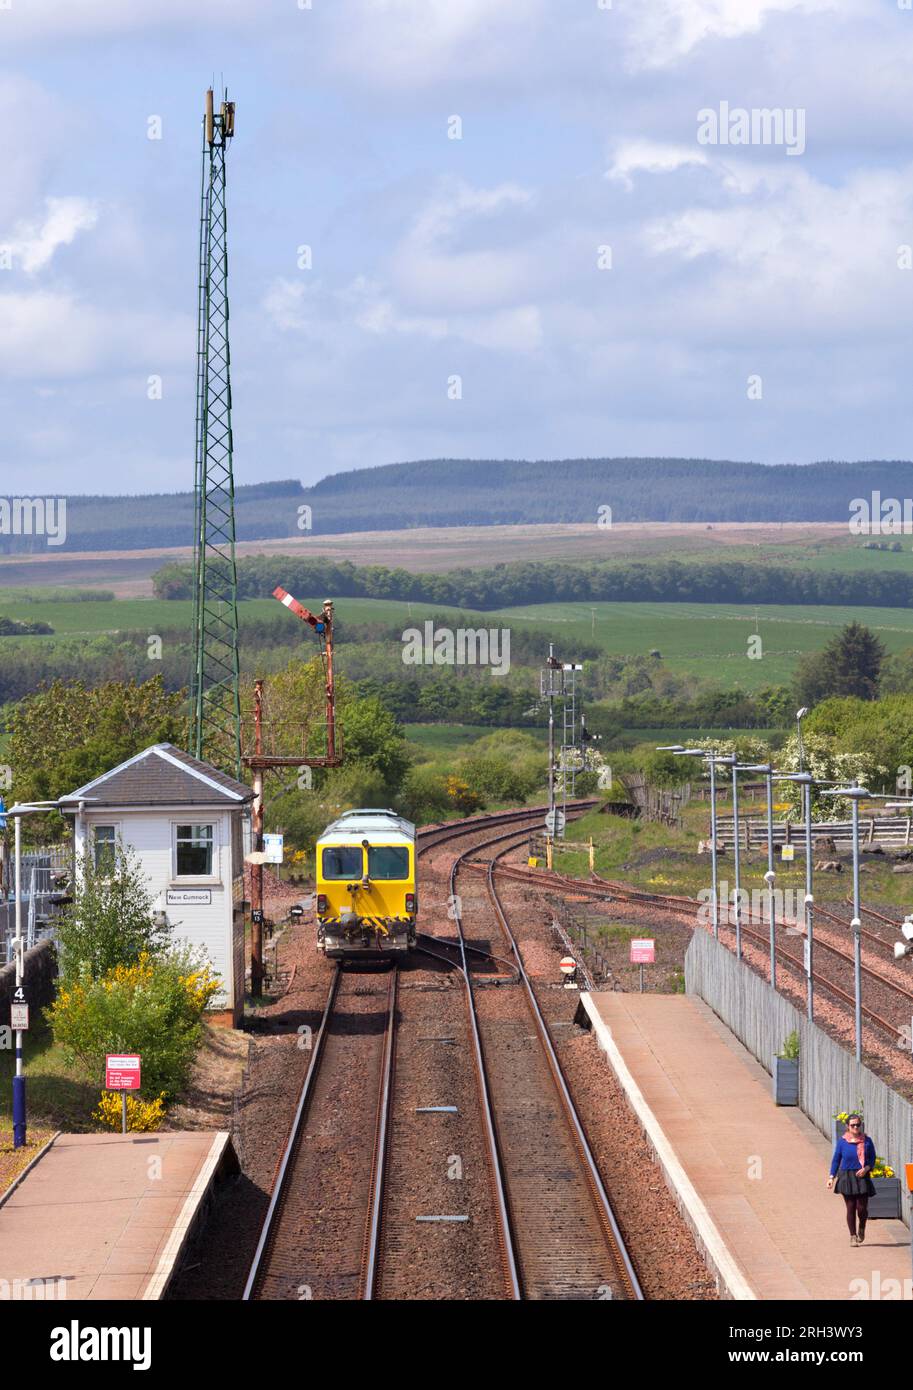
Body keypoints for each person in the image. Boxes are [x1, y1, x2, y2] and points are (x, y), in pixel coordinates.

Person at [827, 1113, 876, 1244]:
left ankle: (862, 1227)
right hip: (846, 1176)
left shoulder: (867, 1141)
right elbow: (836, 1160)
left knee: (861, 1208)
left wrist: (866, 1169)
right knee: (850, 1207)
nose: (855, 1127)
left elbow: (872, 1159)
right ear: (847, 1126)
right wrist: (831, 1177)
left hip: (862, 1176)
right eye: (852, 1125)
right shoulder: (842, 1142)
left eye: (857, 1125)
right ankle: (853, 1236)